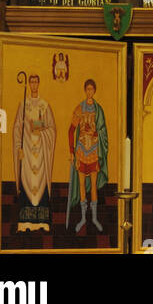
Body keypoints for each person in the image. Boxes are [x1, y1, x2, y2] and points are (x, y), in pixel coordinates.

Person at [12, 74, 56, 232]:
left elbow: (51, 127)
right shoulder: (23, 105)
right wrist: (19, 147)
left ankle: (42, 221)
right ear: (29, 84)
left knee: (40, 184)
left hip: (41, 153)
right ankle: (26, 222)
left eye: (36, 81)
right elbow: (17, 127)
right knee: (27, 183)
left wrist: (35, 124)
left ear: (39, 83)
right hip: (28, 153)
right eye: (31, 82)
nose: (33, 84)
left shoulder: (45, 105)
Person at [68, 78, 109, 233]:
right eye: (87, 89)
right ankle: (83, 218)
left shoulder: (98, 110)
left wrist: (97, 133)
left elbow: (103, 130)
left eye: (92, 89)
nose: (89, 92)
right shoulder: (79, 108)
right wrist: (71, 151)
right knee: (82, 187)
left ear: (94, 91)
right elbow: (71, 130)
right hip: (80, 151)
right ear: (85, 90)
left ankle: (94, 218)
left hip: (93, 151)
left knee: (93, 187)